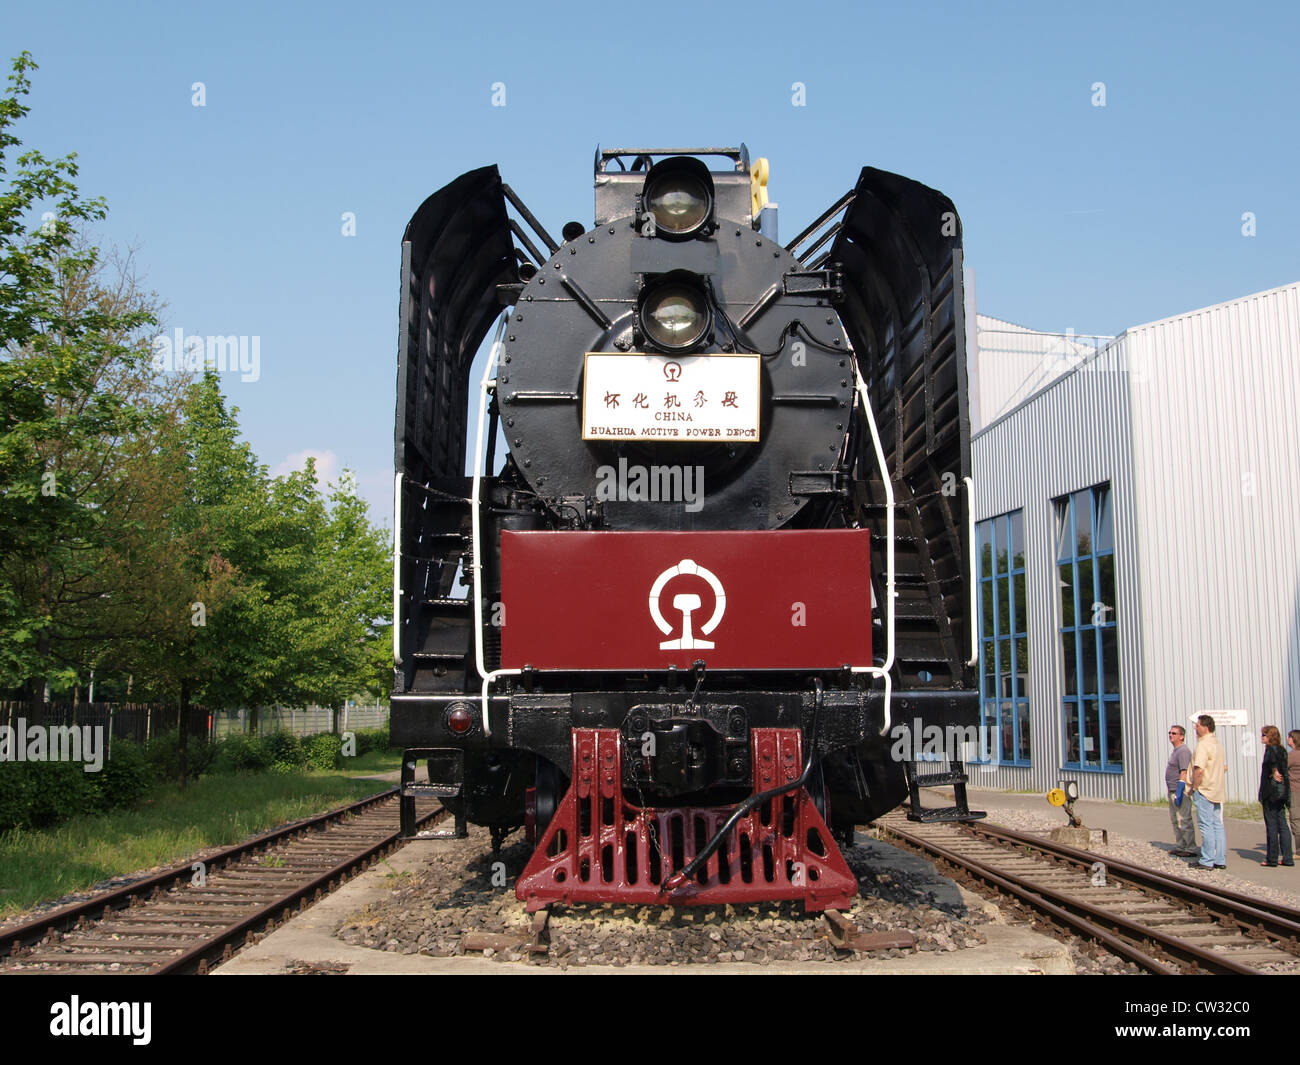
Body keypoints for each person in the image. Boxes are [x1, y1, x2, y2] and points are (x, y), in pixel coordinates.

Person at [1189, 714, 1227, 870]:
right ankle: (1220, 859)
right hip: (1217, 789)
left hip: (1205, 789)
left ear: (1205, 727)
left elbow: (1199, 769)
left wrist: (1195, 787)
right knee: (1217, 824)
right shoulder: (1217, 743)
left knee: (1206, 825)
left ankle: (1207, 859)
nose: (1195, 728)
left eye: (1197, 725)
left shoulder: (1203, 745)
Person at [1258, 725, 1294, 866]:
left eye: (1264, 735)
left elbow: (1273, 764)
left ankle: (1272, 858)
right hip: (1283, 791)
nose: (1262, 737)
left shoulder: (1270, 750)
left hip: (1271, 792)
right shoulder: (1283, 750)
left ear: (1270, 736)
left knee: (1271, 825)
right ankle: (1287, 858)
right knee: (1283, 824)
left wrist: (1273, 771)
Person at [1165, 725, 1198, 856]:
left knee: (1184, 819)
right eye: (1170, 733)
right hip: (1171, 789)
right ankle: (1181, 845)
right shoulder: (1175, 751)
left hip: (1179, 791)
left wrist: (1180, 790)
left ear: (1181, 736)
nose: (1171, 735)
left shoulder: (1183, 751)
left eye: (1174, 733)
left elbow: (1184, 772)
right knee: (1175, 819)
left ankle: (1190, 848)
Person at [1288, 730, 1300, 853]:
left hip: (1295, 790)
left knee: (1296, 818)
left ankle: (1299, 850)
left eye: (1289, 737)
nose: (1287, 739)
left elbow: (1282, 768)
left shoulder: (1292, 755)